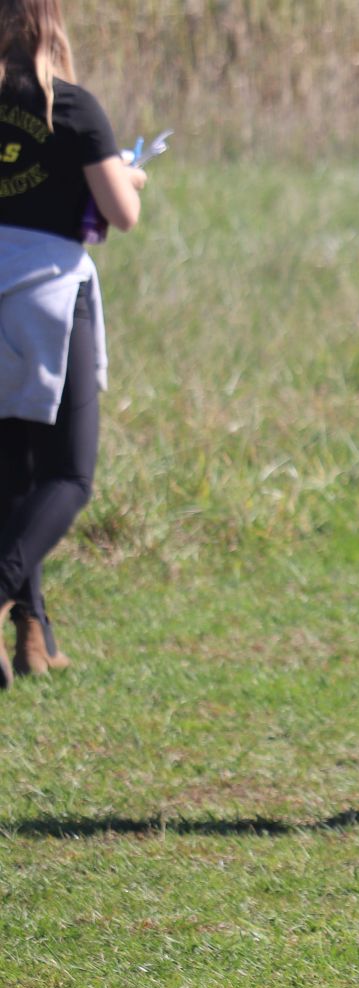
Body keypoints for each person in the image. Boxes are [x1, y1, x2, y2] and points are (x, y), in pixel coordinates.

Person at [0, 0, 145, 689]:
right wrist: (130, 174)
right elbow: (122, 213)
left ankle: (34, 635)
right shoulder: (73, 108)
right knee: (69, 474)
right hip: (48, 299)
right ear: (47, 23)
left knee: (13, 476)